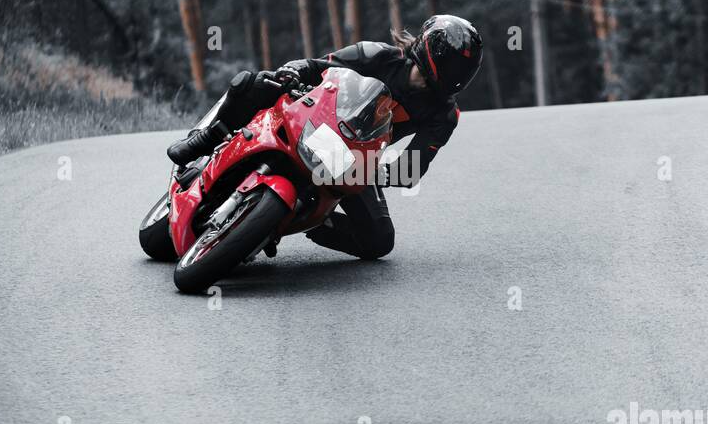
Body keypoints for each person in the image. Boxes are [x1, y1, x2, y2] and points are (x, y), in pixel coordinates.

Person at [167, 14, 483, 259]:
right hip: (315, 118)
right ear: (431, 50)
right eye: (454, 65)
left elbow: (414, 166)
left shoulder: (445, 115)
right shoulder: (378, 55)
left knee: (380, 240)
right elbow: (321, 65)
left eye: (465, 69)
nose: (458, 75)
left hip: (354, 160)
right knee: (255, 82)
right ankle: (207, 138)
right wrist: (295, 70)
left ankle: (308, 222)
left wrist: (378, 171)